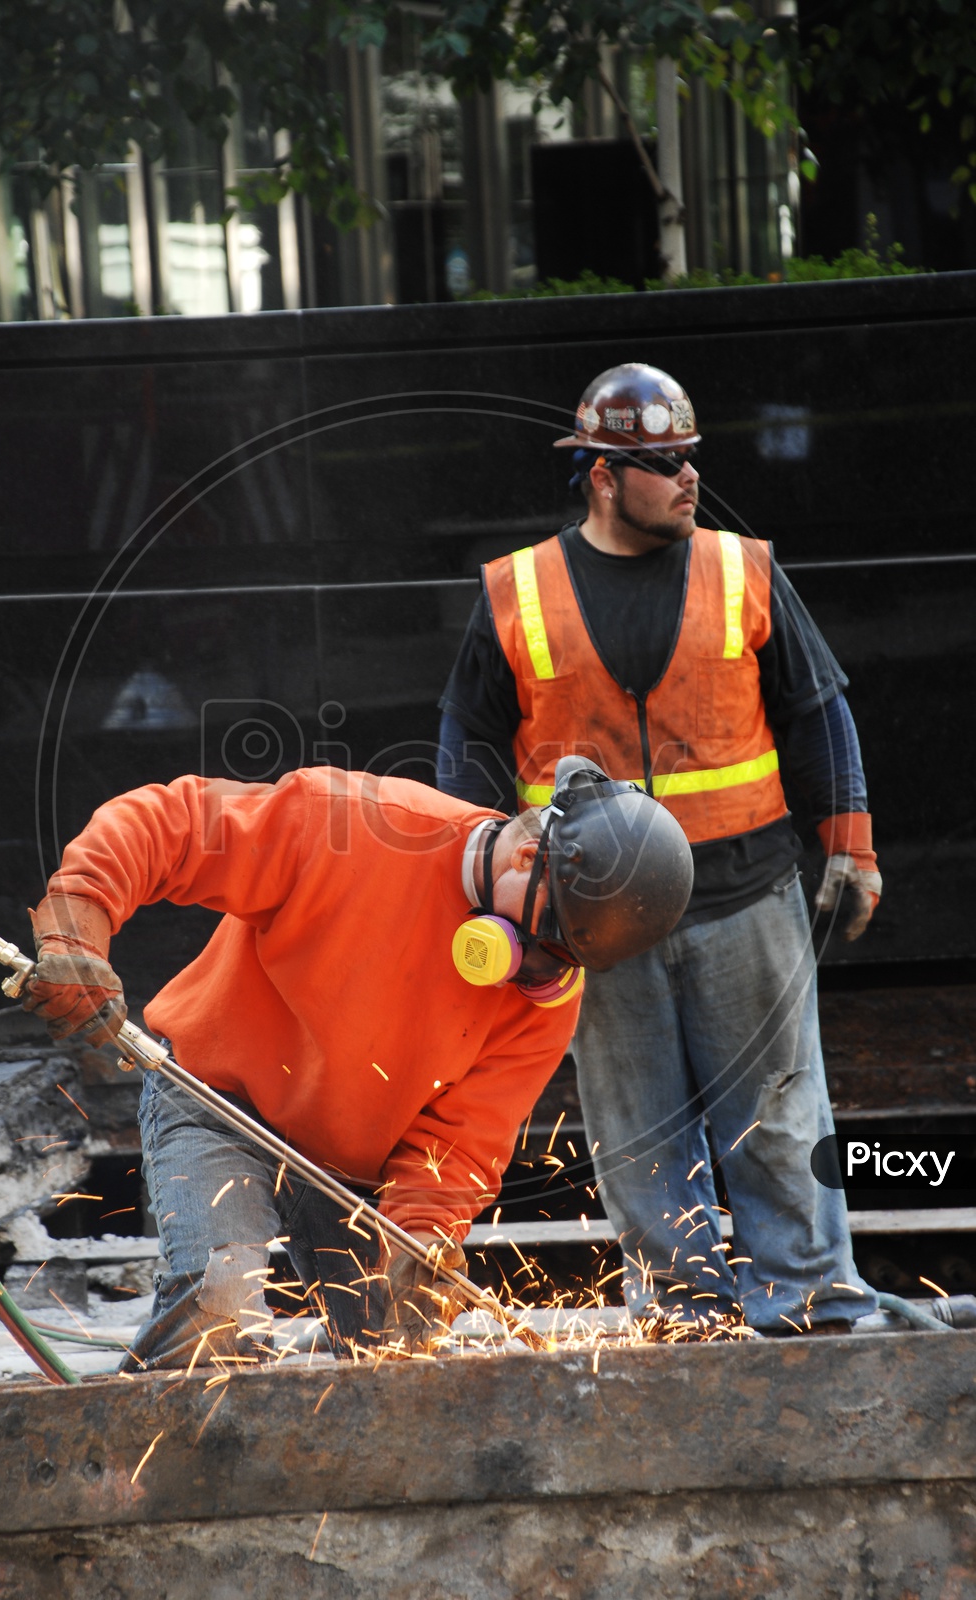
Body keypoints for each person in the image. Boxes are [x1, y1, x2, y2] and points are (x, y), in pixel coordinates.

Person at [437, 362, 883, 1337]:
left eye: (688, 457)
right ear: (602, 476)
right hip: (594, 925)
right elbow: (465, 750)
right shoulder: (519, 593)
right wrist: (471, 885)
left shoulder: (741, 569)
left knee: (779, 1119)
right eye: (663, 463)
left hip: (746, 894)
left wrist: (848, 843)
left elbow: (819, 713)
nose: (687, 477)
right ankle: (684, 1318)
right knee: (639, 1139)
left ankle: (806, 1299)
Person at [21, 759, 691, 1367]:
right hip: (219, 1103)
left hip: (354, 1171)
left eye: (567, 958)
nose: (537, 970)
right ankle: (159, 1473)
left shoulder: (544, 996)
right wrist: (78, 921)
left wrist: (421, 1241)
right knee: (218, 1306)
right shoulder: (354, 827)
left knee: (401, 1352)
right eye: (546, 940)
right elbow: (172, 824)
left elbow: (457, 1145)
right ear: (524, 853)